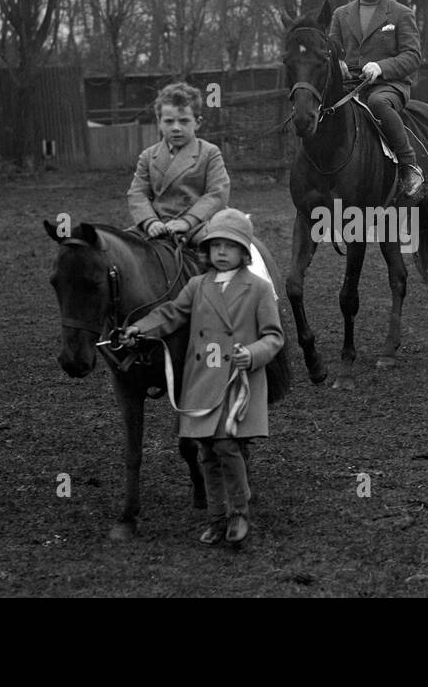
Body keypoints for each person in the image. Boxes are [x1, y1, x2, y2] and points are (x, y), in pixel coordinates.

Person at [120, 209, 284, 546]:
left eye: (230, 245)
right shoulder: (197, 286)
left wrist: (253, 354)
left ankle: (239, 512)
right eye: (216, 245)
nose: (222, 252)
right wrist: (139, 328)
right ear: (207, 251)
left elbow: (274, 337)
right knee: (207, 450)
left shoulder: (258, 288)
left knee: (227, 445)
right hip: (201, 382)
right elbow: (171, 314)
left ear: (243, 251)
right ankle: (216, 517)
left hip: (237, 382)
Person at [329, 0, 426, 199]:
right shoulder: (340, 15)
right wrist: (337, 64)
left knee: (378, 102)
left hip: (389, 86)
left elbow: (413, 56)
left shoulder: (401, 14)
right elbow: (332, 51)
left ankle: (408, 165)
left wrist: (381, 67)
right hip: (350, 86)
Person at [127, 82, 230, 244]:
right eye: (168, 121)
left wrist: (188, 221)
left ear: (198, 122)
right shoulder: (148, 156)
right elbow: (137, 194)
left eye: (184, 121)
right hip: (158, 225)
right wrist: (150, 221)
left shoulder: (209, 153)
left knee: (217, 251)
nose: (176, 128)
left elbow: (217, 193)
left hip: (199, 224)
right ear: (159, 122)